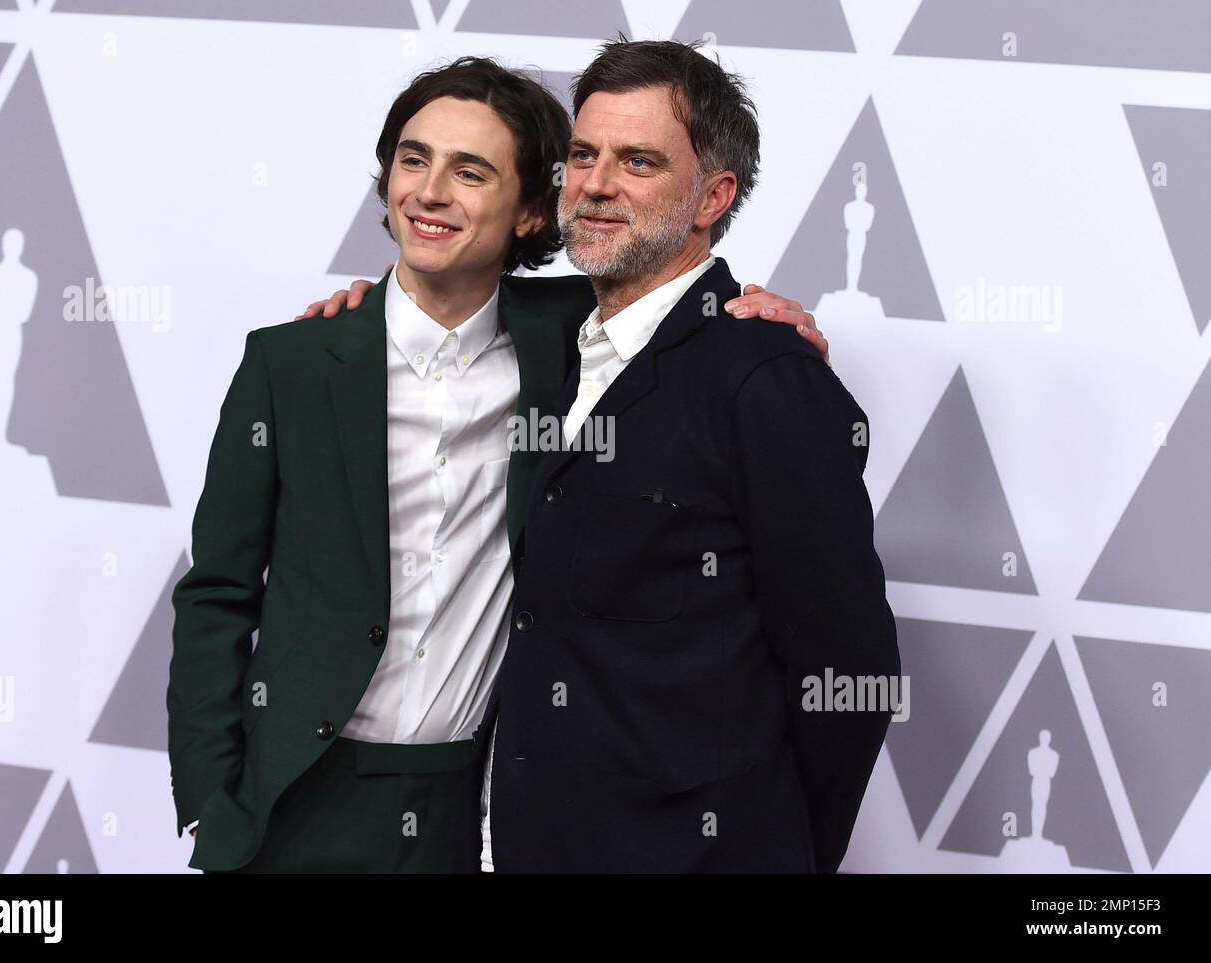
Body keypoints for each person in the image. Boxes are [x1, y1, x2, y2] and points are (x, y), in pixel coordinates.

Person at [167, 54, 822, 873]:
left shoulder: (568, 346)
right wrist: (207, 801)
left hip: (468, 807)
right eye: (413, 160)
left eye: (470, 172)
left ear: (528, 212)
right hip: (294, 795)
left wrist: (761, 315)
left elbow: (664, 288)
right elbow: (218, 594)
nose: (430, 193)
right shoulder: (292, 362)